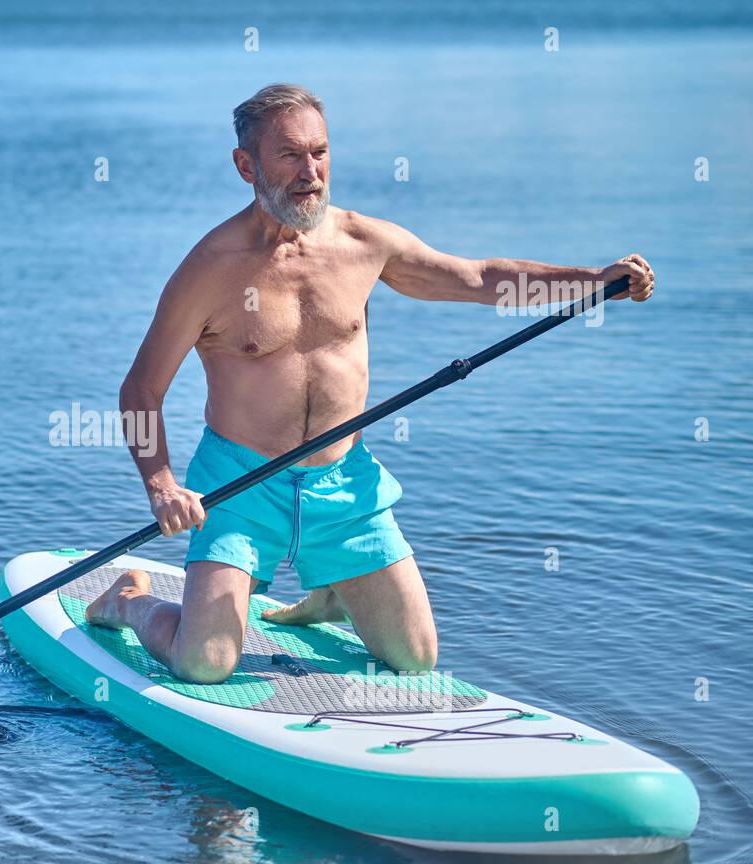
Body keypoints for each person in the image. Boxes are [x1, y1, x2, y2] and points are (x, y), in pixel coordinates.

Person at [86, 83, 654, 684]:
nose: (311, 172)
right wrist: (162, 486)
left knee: (414, 658)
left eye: (320, 153)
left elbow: (479, 278)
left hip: (343, 486)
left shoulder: (362, 243)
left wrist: (594, 280)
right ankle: (128, 600)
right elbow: (142, 389)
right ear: (245, 165)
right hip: (240, 487)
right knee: (205, 663)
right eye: (289, 156)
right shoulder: (210, 269)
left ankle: (332, 588)